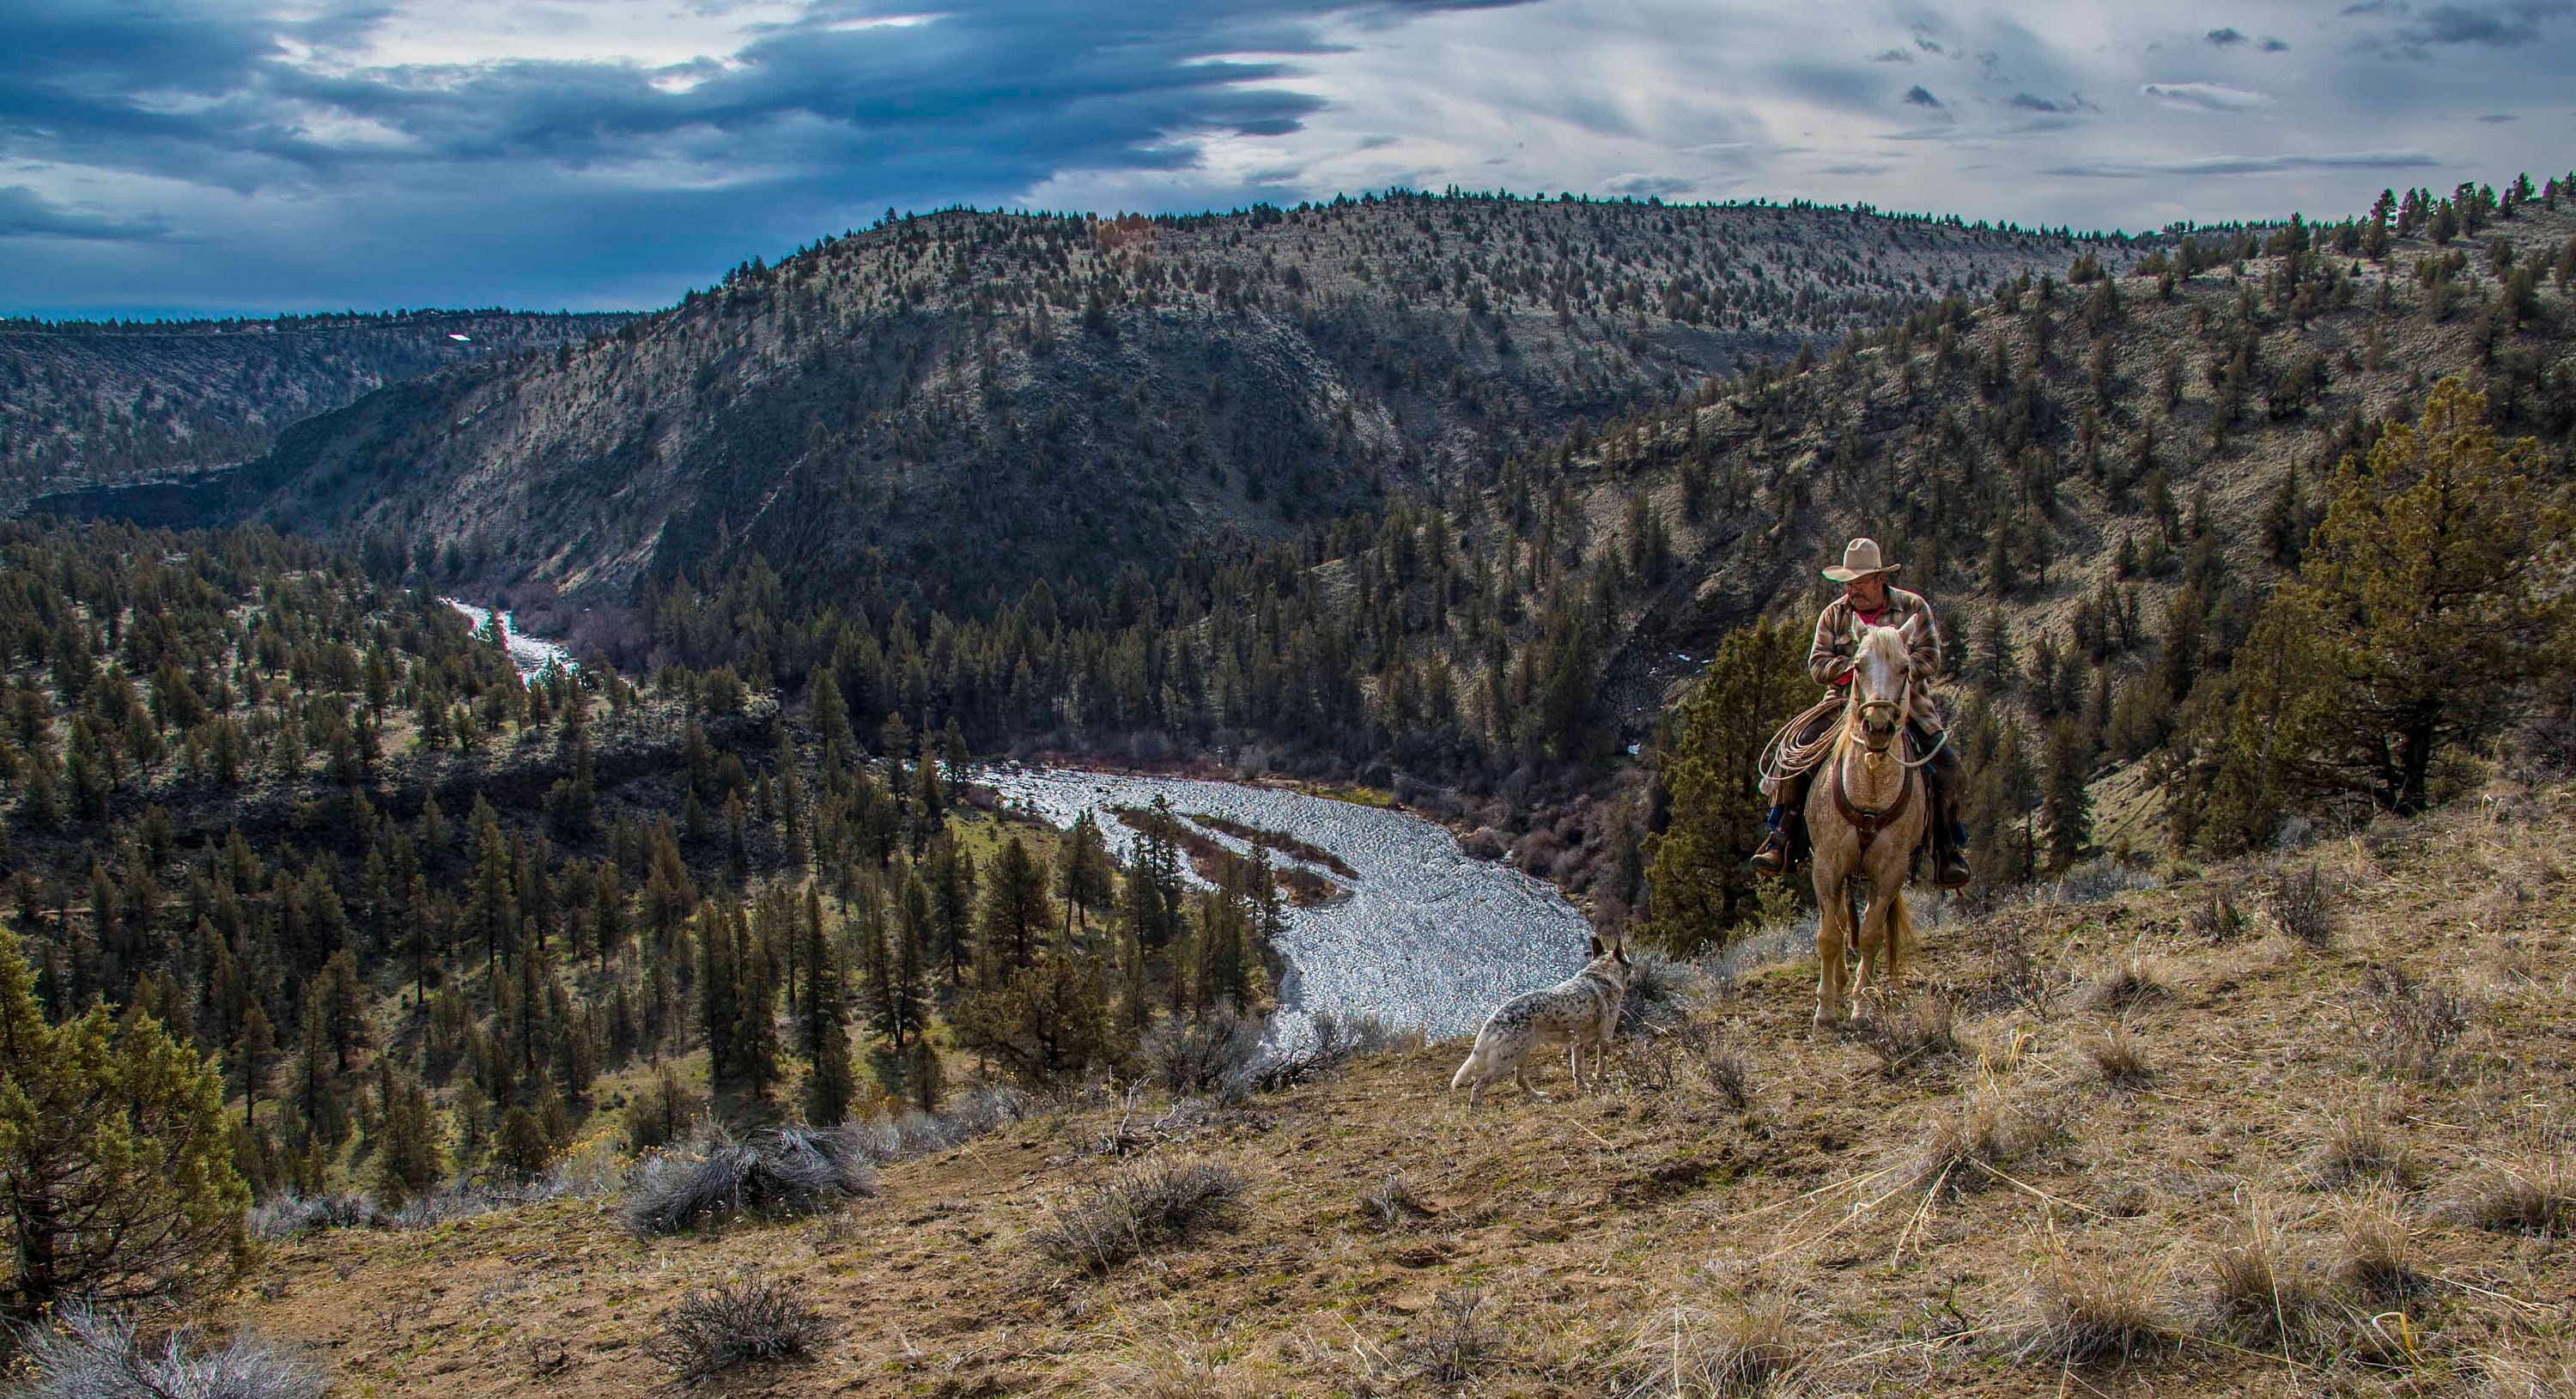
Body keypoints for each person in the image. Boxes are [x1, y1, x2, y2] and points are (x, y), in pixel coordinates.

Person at [1749, 538, 1971, 889]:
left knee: (1947, 766)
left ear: (1879, 580)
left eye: (1859, 583)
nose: (1852, 590)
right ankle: (1781, 837)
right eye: (1848, 584)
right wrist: (1855, 669)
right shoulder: (1834, 614)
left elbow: (1930, 656)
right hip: (1843, 704)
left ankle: (1948, 849)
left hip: (1905, 705)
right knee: (1796, 753)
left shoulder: (1913, 608)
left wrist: (1893, 670)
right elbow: (1817, 663)